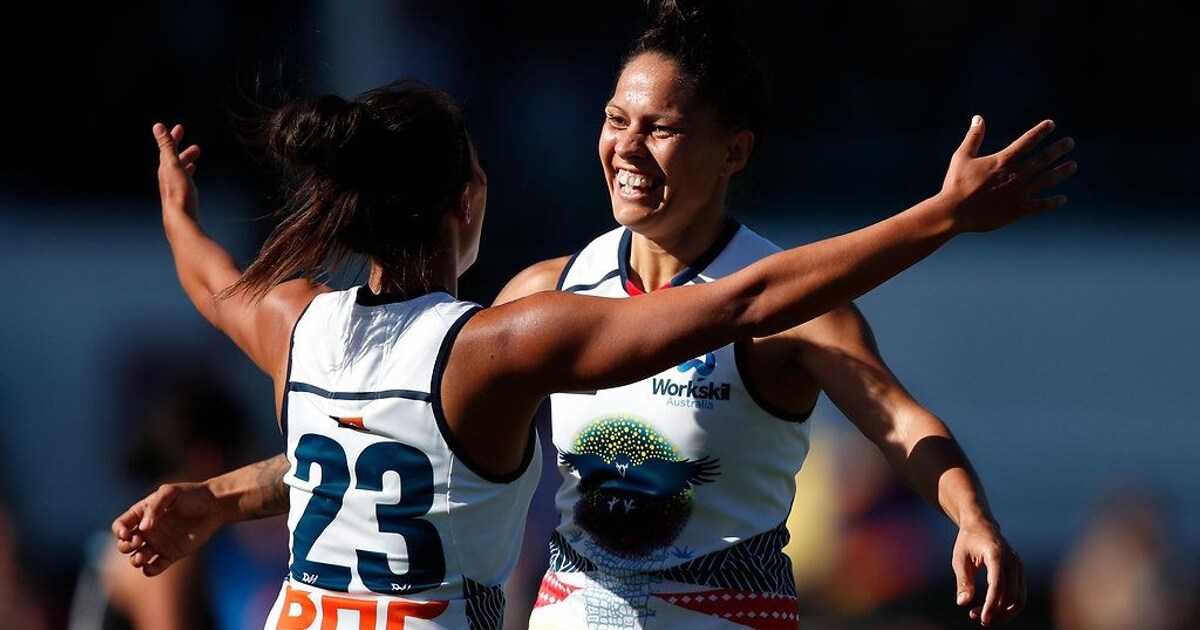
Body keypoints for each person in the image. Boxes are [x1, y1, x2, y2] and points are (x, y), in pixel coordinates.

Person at [114, 26, 1076, 630]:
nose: (627, 144)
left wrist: (969, 513)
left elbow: (897, 420)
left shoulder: (784, 300)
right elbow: (404, 434)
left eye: (659, 126)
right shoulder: (538, 303)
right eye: (617, 117)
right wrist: (941, 218)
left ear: (733, 149)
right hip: (577, 610)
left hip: (724, 610)